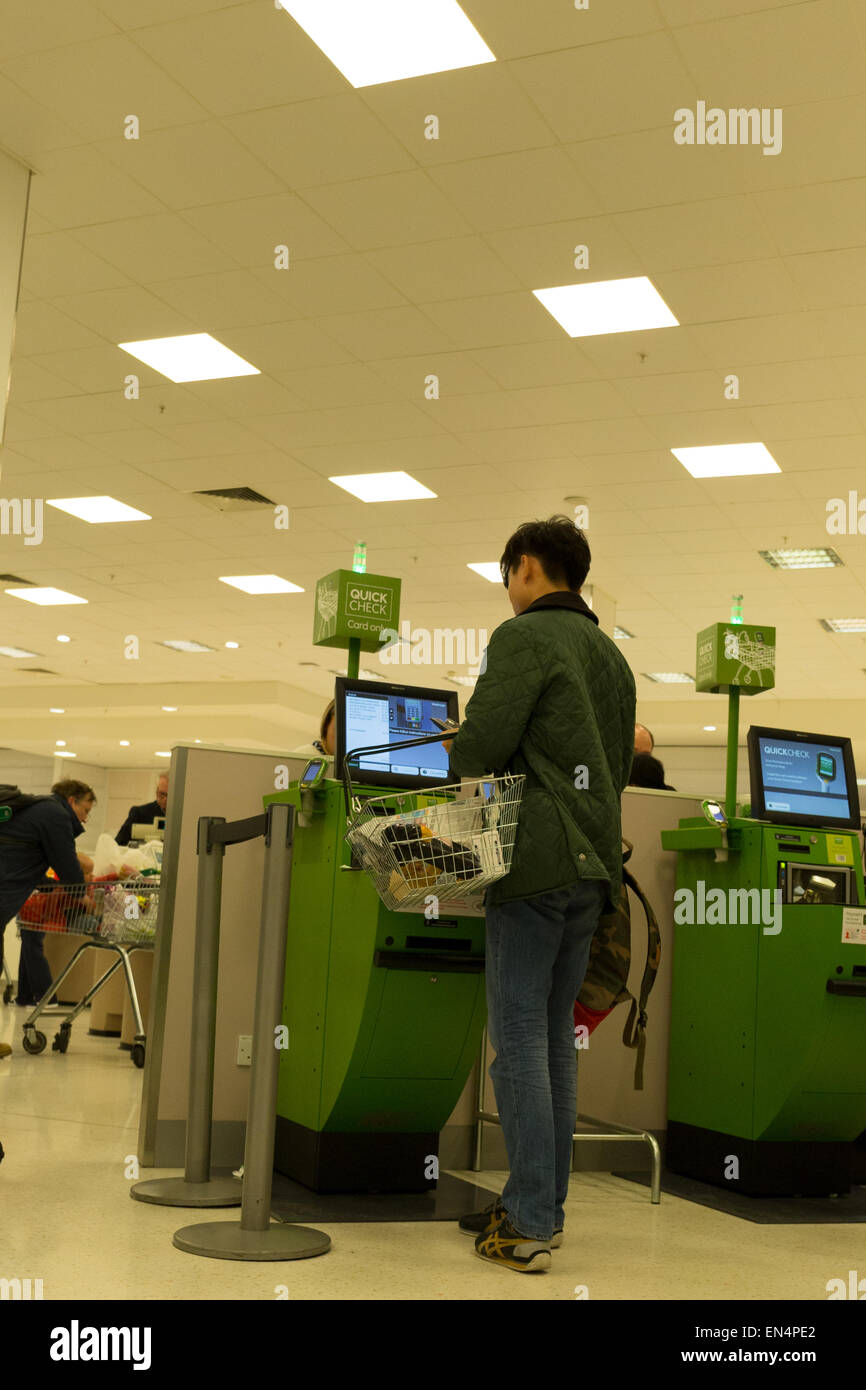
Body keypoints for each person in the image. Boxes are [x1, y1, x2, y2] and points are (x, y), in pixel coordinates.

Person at [444, 515, 635, 1272]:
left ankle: (525, 1223)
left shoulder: (522, 637)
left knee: (518, 1037)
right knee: (555, 1039)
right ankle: (541, 1209)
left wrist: (457, 738)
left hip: (534, 860)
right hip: (593, 869)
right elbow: (611, 769)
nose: (508, 590)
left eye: (507, 575)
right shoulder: (613, 659)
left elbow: (483, 748)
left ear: (527, 568)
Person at [0, 779, 96, 1006]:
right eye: (85, 810)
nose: (85, 819)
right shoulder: (56, 815)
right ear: (71, 800)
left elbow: (27, 861)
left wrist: (53, 886)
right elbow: (67, 864)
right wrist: (82, 896)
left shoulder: (38, 809)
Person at [116, 774, 168, 846]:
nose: (165, 799)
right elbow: (119, 843)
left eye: (169, 795)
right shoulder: (140, 813)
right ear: (156, 792)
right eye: (162, 794)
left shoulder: (183, 819)